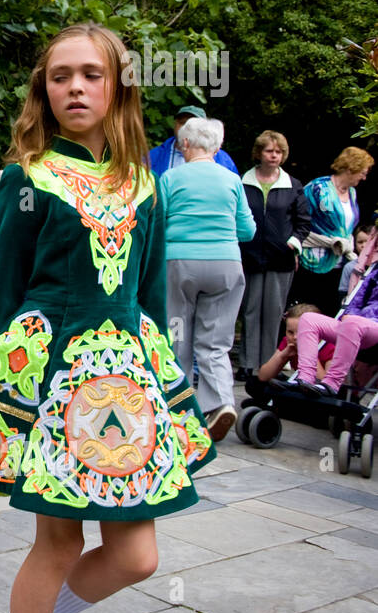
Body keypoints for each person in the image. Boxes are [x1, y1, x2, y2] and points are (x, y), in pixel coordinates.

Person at [0, 23, 215, 613]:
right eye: (61, 77)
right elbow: (1, 282)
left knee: (138, 557)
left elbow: (149, 293)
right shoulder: (27, 178)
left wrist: (166, 382)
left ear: (119, 88)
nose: (75, 88)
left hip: (131, 377)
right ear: (44, 90)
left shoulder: (147, 183)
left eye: (92, 75)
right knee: (57, 545)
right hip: (49, 370)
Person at [160, 117, 256, 441]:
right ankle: (220, 404)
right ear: (216, 146)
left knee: (177, 334)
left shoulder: (171, 178)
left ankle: (178, 409)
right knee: (215, 342)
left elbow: (156, 223)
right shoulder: (232, 181)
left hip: (180, 266)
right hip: (226, 266)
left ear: (185, 144)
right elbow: (248, 230)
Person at [238, 130, 310, 382]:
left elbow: (303, 222)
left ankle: (268, 364)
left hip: (281, 259)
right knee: (250, 310)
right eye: (270, 151)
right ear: (259, 153)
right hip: (250, 256)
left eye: (278, 152)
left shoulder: (293, 185)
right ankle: (246, 363)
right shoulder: (243, 182)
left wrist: (293, 243)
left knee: (273, 312)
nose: (274, 156)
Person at [295, 147, 373, 312]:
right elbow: (297, 219)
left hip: (340, 262)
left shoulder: (352, 193)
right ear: (352, 168)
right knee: (307, 310)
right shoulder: (318, 187)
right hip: (313, 262)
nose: (364, 177)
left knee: (331, 312)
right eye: (363, 172)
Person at [292, 263, 378, 395]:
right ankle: (305, 378)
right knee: (308, 318)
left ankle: (332, 383)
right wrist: (350, 312)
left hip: (372, 328)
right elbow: (358, 297)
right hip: (355, 325)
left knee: (352, 322)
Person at [246, 303, 334, 400]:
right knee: (253, 383)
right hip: (300, 384)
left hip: (318, 391)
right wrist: (282, 356)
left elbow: (325, 385)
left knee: (311, 393)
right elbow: (263, 376)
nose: (295, 337)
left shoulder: (330, 346)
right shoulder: (288, 342)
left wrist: (309, 354)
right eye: (290, 332)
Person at [148, 104, 237, 177]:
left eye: (192, 124)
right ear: (175, 124)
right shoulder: (154, 156)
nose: (186, 128)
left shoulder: (223, 159)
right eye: (182, 123)